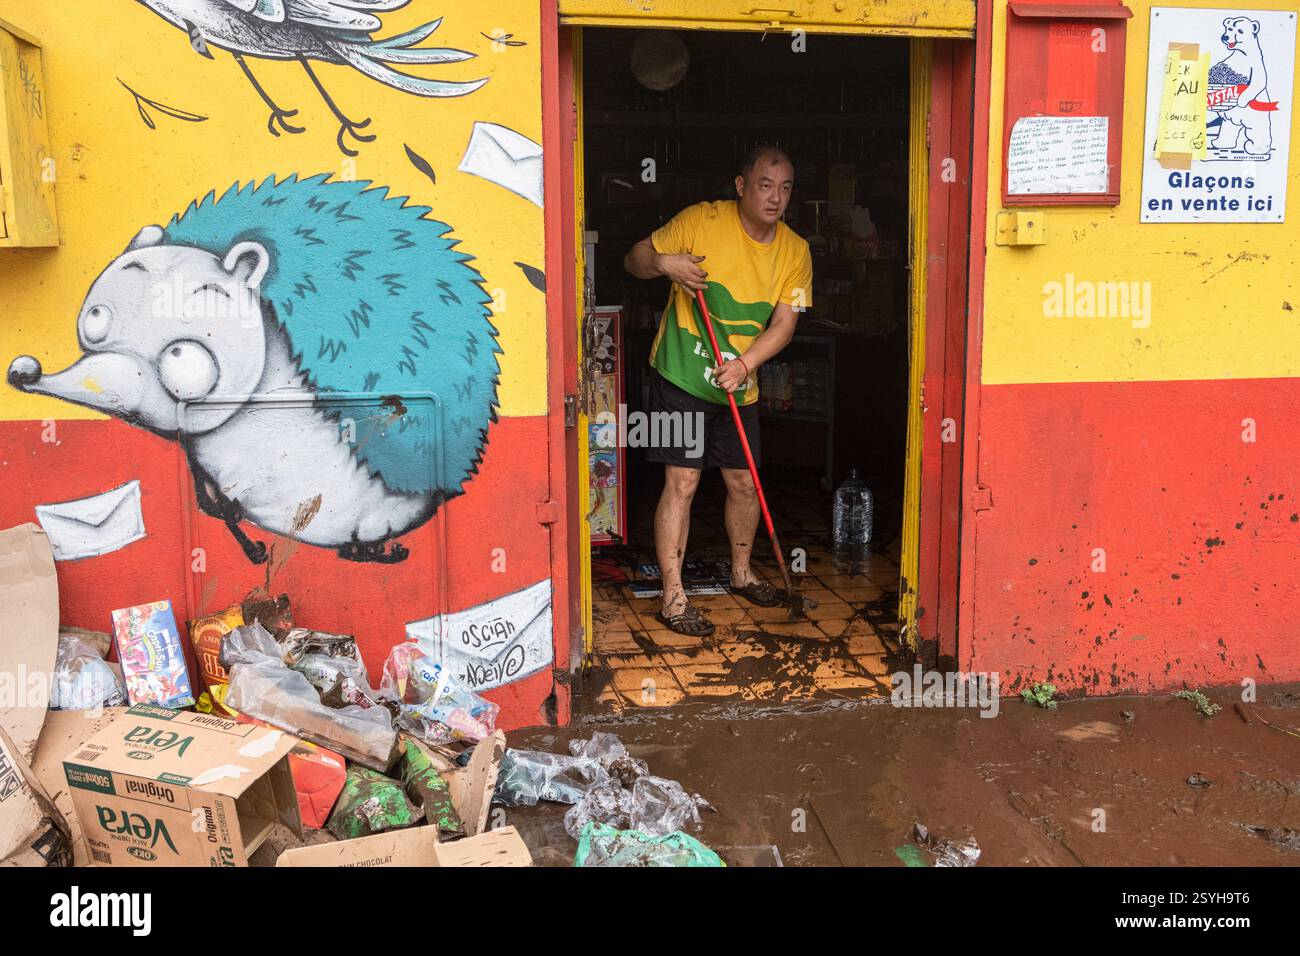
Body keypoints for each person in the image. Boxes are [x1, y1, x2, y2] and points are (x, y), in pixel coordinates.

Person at [623, 144, 813, 636]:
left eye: (785, 187)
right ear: (741, 185)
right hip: (681, 373)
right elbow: (634, 259)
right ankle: (673, 595)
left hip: (738, 383)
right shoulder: (701, 222)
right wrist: (666, 263)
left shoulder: (794, 250)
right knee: (683, 482)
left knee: (743, 483)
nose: (775, 197)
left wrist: (746, 364)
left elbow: (785, 322)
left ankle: (743, 572)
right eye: (766, 185)